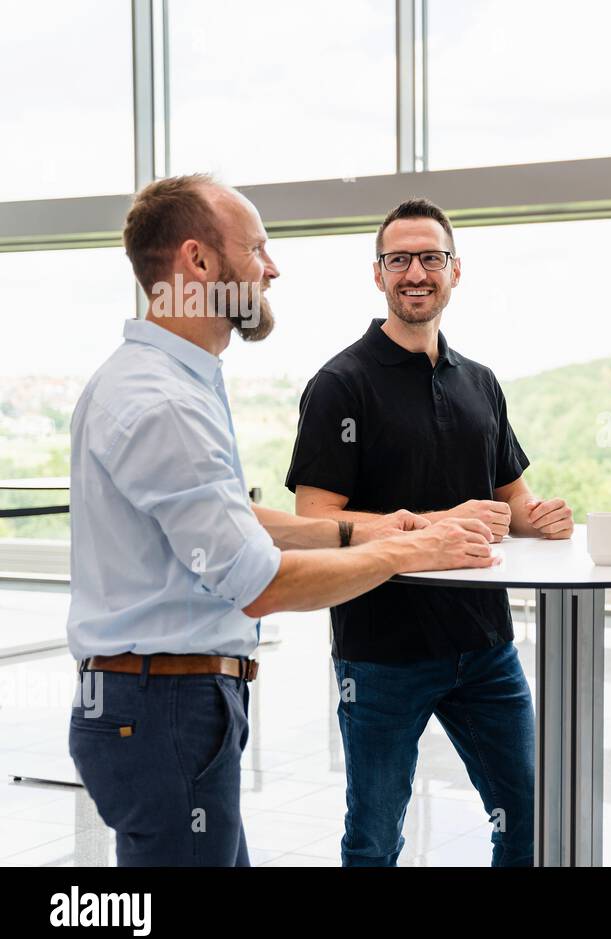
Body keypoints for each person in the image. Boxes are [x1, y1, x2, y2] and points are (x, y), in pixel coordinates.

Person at [67, 174, 496, 867]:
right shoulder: (162, 402)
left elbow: (230, 520)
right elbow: (259, 582)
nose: (272, 268)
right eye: (257, 249)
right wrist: (411, 554)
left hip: (166, 703)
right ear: (199, 263)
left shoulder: (166, 380)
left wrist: (375, 530)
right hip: (162, 708)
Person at [286, 199, 573, 867]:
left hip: (484, 643)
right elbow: (312, 521)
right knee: (375, 839)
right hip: (382, 649)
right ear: (379, 274)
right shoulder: (340, 385)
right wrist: (424, 525)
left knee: (530, 815)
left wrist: (541, 516)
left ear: (455, 270)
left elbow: (511, 497)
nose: (416, 272)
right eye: (400, 259)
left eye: (430, 258)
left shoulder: (480, 382)